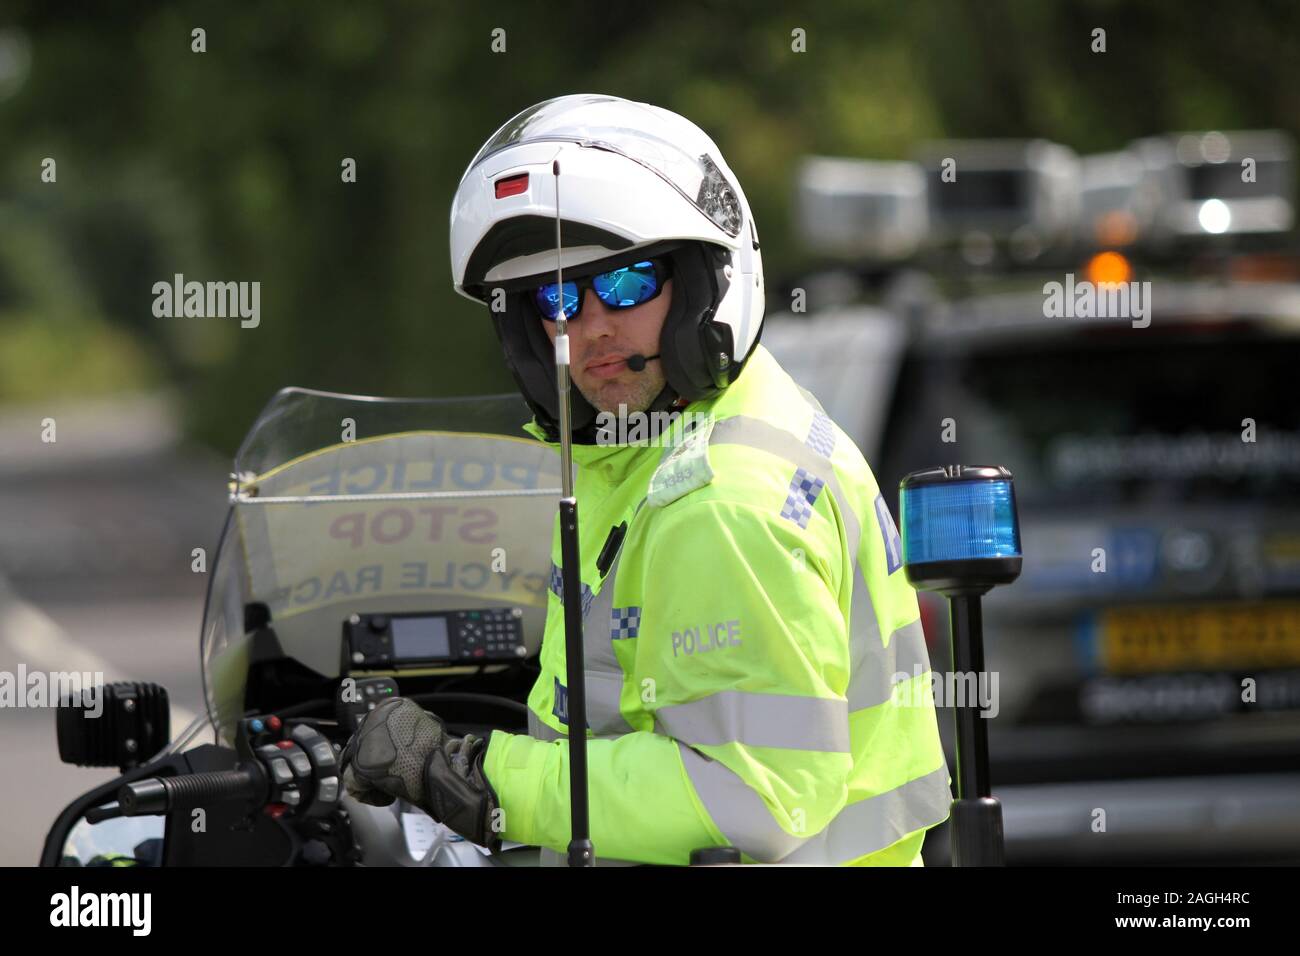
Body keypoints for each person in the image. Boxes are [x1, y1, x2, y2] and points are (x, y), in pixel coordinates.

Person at [340, 94, 952, 866]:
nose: (591, 325)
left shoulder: (721, 503)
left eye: (627, 283)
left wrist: (473, 777)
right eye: (556, 297)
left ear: (705, 283)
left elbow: (750, 796)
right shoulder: (672, 452)